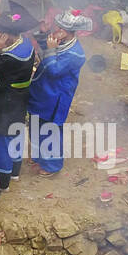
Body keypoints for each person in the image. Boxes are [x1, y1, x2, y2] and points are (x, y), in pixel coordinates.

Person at [25, 9, 94, 172]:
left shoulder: (76, 54)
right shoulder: (60, 42)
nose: (56, 31)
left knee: (50, 130)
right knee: (35, 125)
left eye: (59, 29)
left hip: (55, 97)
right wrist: (43, 34)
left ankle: (52, 165)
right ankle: (38, 157)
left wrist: (50, 50)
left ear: (66, 32)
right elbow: (46, 49)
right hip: (42, 92)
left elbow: (54, 70)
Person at [0, 2, 39, 186]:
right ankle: (14, 172)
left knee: (2, 138)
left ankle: (2, 180)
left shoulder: (10, 57)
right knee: (16, 133)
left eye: (0, 34)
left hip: (6, 102)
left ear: (7, 36)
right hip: (20, 98)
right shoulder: (25, 43)